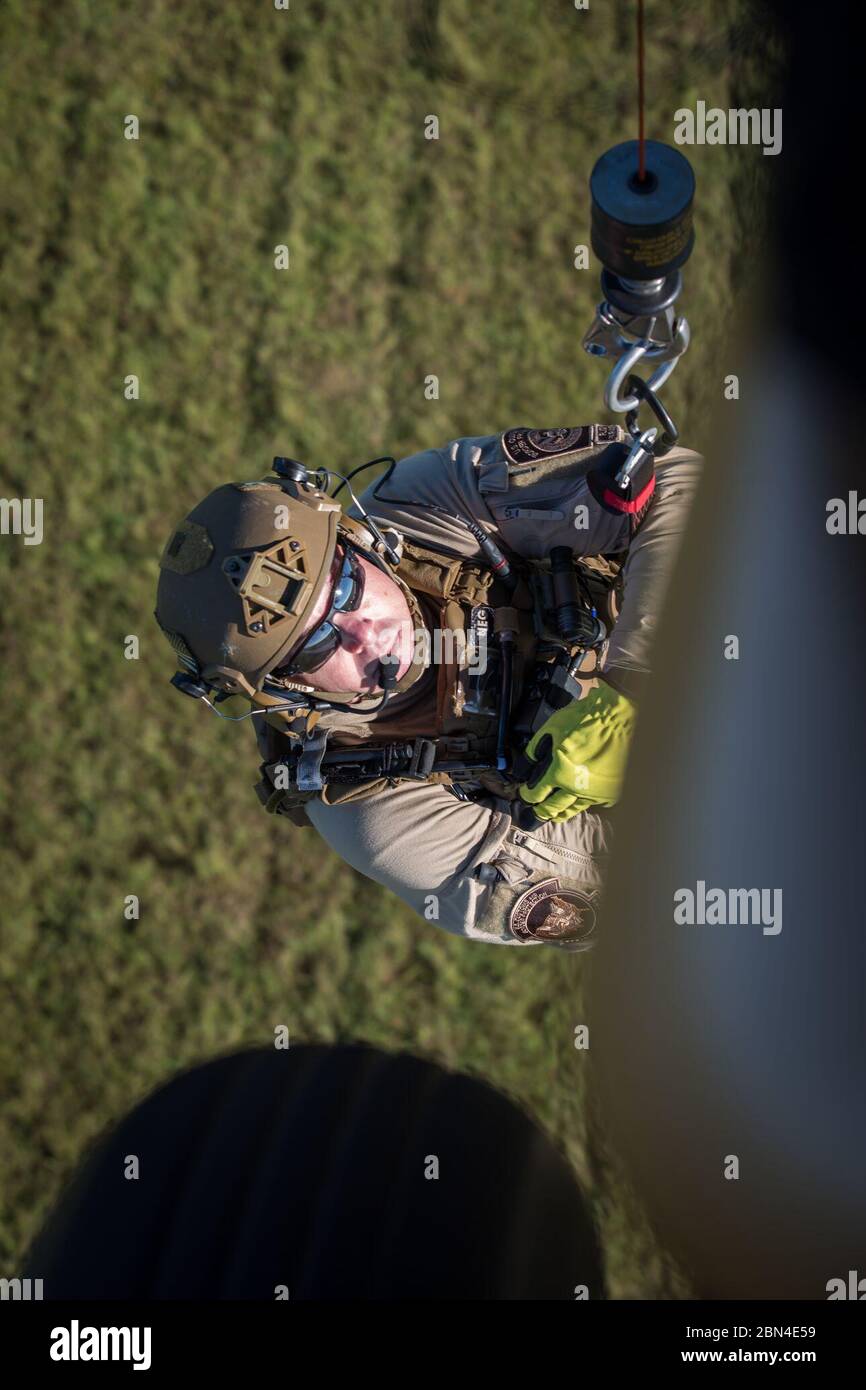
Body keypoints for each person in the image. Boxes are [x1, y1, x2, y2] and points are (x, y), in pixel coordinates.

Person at [155, 425, 701, 949]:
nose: (365, 633)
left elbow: (676, 479)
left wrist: (634, 684)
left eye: (346, 586)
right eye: (316, 646)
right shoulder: (375, 817)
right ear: (282, 692)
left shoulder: (422, 504)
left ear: (354, 537)